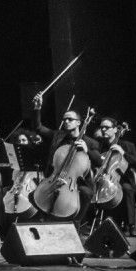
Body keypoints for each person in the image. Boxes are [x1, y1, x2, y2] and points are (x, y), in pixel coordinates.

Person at [29, 94, 103, 226]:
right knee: (33, 196)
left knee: (86, 193)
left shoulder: (90, 142)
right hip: (55, 178)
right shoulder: (57, 136)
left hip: (77, 183)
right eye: (64, 119)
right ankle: (45, 222)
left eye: (70, 119)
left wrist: (87, 151)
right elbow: (38, 127)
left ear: (79, 122)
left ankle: (76, 224)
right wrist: (37, 108)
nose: (66, 121)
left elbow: (100, 162)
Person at [97, 118, 136, 235]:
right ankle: (103, 224)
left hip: (125, 179)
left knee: (127, 189)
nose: (103, 129)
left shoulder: (127, 145)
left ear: (115, 130)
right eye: (102, 127)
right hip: (106, 179)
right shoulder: (100, 146)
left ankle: (131, 225)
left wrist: (123, 153)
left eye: (107, 127)